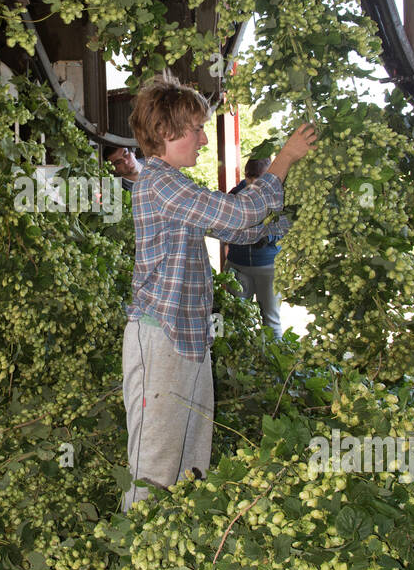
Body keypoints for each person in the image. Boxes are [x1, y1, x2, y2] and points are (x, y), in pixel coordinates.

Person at [122, 74, 317, 512]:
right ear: (166, 132)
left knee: (192, 454)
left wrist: (292, 221)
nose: (203, 139)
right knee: (154, 465)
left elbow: (237, 227)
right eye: (195, 129)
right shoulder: (160, 183)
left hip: (187, 338)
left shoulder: (176, 185)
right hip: (161, 338)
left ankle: (179, 541)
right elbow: (241, 209)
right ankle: (136, 550)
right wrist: (283, 160)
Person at [224, 158, 289, 338]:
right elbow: (224, 227)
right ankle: (237, 361)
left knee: (271, 320)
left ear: (266, 176)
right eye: (249, 177)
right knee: (234, 318)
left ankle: (276, 362)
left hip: (268, 266)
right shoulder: (234, 195)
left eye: (257, 178)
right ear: (245, 175)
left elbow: (286, 227)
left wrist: (268, 236)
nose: (252, 183)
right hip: (238, 264)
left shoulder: (279, 194)